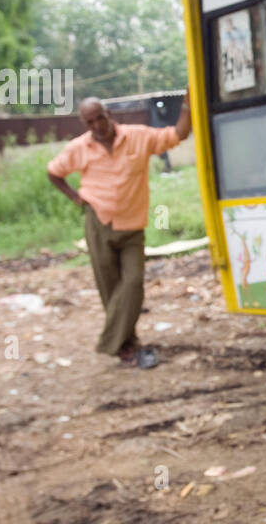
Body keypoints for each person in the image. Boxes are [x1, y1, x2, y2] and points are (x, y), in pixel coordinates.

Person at [46, 96, 192, 367]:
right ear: (84, 123)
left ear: (109, 113)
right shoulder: (80, 147)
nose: (97, 125)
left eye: (99, 118)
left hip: (132, 225)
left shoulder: (138, 137)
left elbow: (179, 133)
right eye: (89, 122)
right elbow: (53, 172)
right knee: (110, 289)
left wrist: (188, 101)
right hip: (99, 223)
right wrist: (75, 197)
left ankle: (109, 342)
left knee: (133, 282)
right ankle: (128, 345)